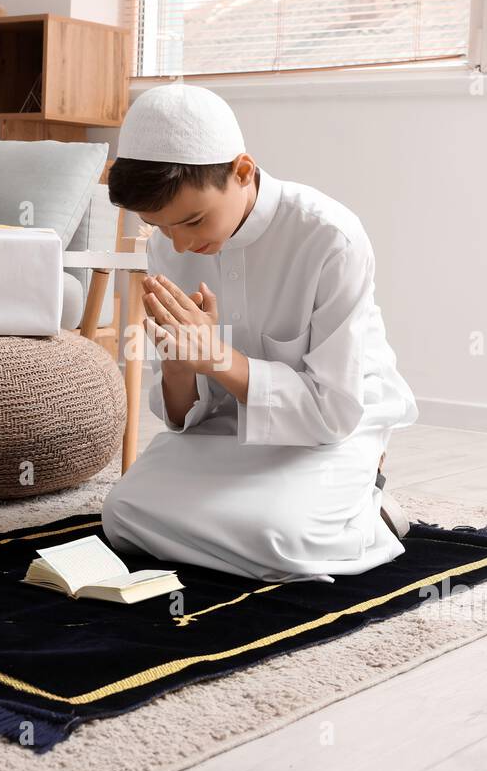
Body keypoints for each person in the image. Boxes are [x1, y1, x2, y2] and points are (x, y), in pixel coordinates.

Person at [100, 83, 418, 584]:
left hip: (329, 429)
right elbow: (183, 416)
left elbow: (334, 409)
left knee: (280, 535)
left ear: (242, 172)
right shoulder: (169, 247)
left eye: (193, 221)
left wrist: (218, 358)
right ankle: (298, 521)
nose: (180, 245)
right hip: (223, 428)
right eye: (160, 228)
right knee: (122, 515)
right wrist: (183, 366)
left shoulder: (329, 237)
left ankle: (366, 504)